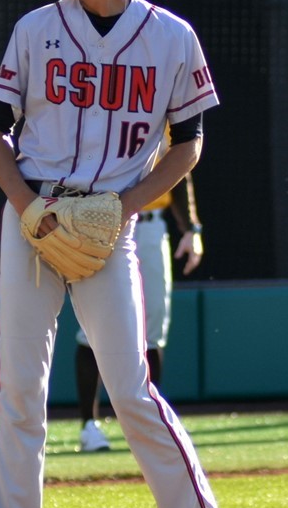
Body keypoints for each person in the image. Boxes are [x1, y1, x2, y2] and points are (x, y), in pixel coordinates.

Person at [0, 0, 235, 508]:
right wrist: (28, 207)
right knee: (21, 382)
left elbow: (191, 145)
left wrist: (122, 207)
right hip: (34, 216)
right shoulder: (36, 29)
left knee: (131, 386)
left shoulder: (172, 38)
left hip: (109, 228)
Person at [72, 168, 202, 453]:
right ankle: (89, 426)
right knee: (94, 326)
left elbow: (180, 171)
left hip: (152, 223)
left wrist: (191, 228)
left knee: (153, 326)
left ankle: (148, 426)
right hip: (103, 221)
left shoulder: (168, 123)